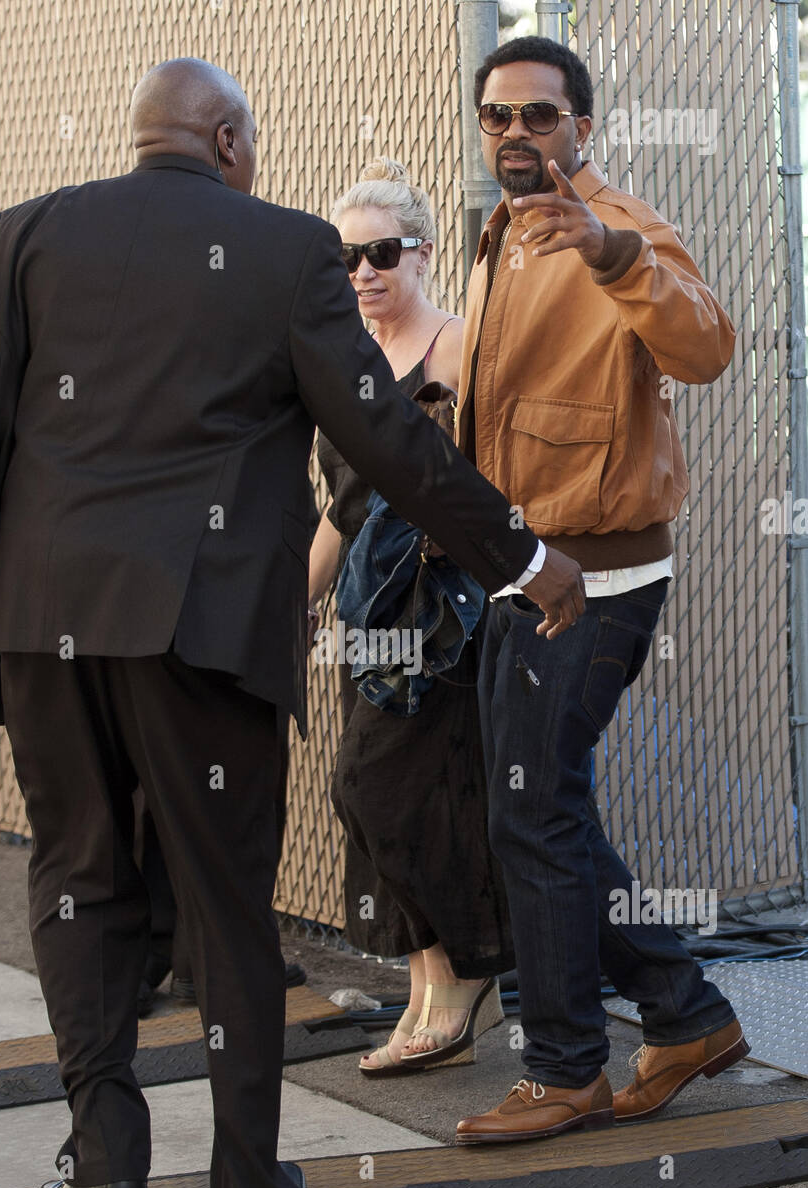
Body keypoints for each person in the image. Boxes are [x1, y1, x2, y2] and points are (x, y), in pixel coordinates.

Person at [0, 58, 583, 1188]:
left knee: (78, 874)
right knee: (223, 904)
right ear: (224, 139)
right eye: (250, 144)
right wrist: (521, 559)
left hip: (43, 623)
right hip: (201, 633)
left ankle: (102, 1146)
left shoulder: (26, 236)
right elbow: (382, 438)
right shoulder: (280, 251)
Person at [453, 37, 749, 1145]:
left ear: (581, 125)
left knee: (532, 811)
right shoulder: (499, 234)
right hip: (523, 570)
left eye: (538, 115)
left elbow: (706, 344)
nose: (516, 134)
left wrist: (616, 254)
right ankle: (682, 1016)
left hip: (599, 572)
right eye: (497, 118)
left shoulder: (610, 222)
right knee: (540, 807)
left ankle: (567, 1066)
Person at [310, 159, 513, 1076]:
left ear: (422, 253)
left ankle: (471, 975)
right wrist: (293, 604)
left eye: (380, 253)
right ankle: (437, 982)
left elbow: (496, 488)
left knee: (382, 787)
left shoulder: (462, 350)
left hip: (447, 624)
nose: (361, 272)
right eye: (345, 257)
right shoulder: (340, 363)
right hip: (371, 620)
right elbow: (338, 508)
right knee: (373, 804)